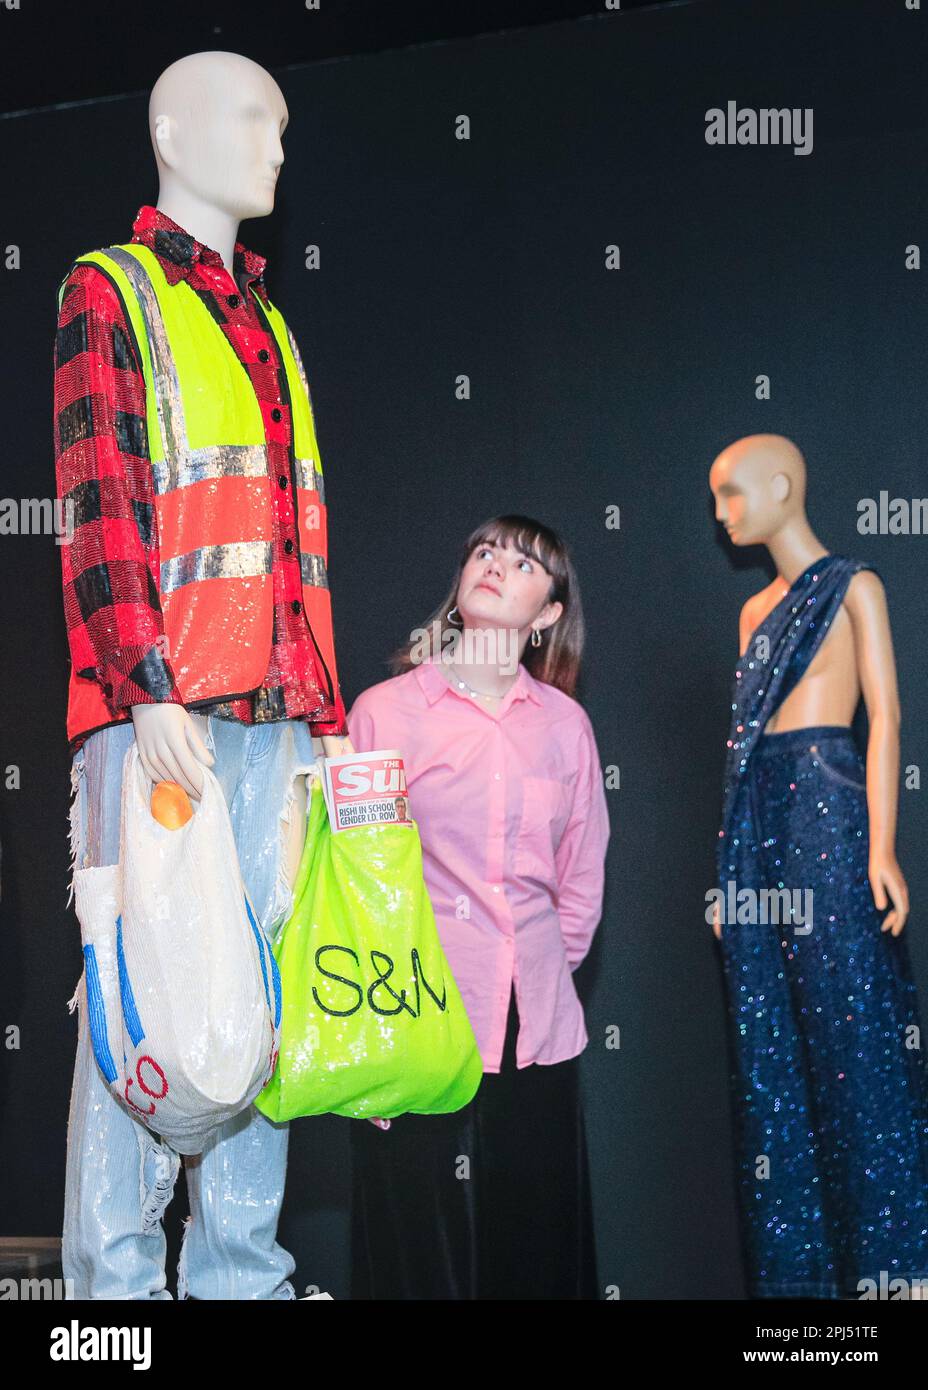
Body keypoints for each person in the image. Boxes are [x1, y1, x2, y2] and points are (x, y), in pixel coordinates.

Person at [346, 514, 611, 1299]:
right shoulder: (384, 714)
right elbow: (358, 885)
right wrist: (377, 1044)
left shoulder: (567, 728)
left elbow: (580, 882)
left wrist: (536, 975)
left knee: (536, 1245)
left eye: (524, 563)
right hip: (417, 1013)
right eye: (485, 551)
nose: (496, 564)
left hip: (534, 1021)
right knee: (413, 1248)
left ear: (550, 614)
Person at [709, 434, 928, 1299]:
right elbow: (741, 747)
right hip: (761, 821)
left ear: (783, 485)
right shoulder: (752, 611)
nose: (722, 514)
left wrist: (881, 846)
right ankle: (806, 1297)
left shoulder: (854, 586)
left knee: (858, 1042)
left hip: (831, 814)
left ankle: (896, 1275)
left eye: (730, 494)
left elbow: (890, 720)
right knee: (776, 1051)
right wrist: (728, 871)